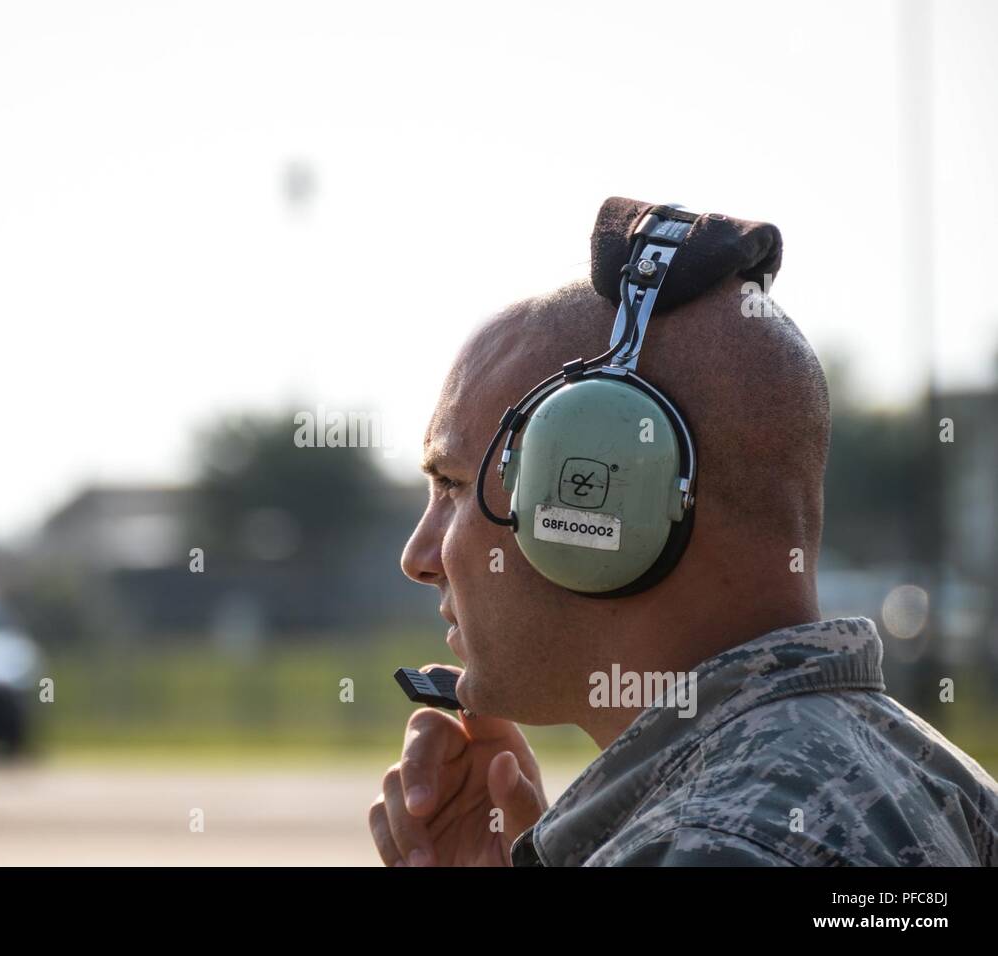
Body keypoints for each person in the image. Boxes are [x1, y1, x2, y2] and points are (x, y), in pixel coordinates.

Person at [369, 275, 998, 866]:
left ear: (606, 496)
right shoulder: (952, 787)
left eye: (453, 486)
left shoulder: (710, 844)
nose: (418, 558)